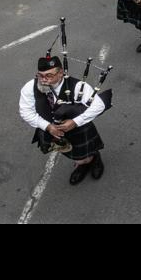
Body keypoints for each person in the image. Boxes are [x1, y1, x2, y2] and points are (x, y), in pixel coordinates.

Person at [19, 54, 106, 185]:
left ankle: (94, 159)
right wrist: (47, 126)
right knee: (73, 153)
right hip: (52, 131)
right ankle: (82, 163)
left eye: (49, 75)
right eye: (40, 75)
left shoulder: (77, 86)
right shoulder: (30, 87)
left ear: (61, 73)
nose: (43, 80)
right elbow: (25, 111)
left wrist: (75, 122)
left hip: (78, 129)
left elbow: (99, 105)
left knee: (86, 151)